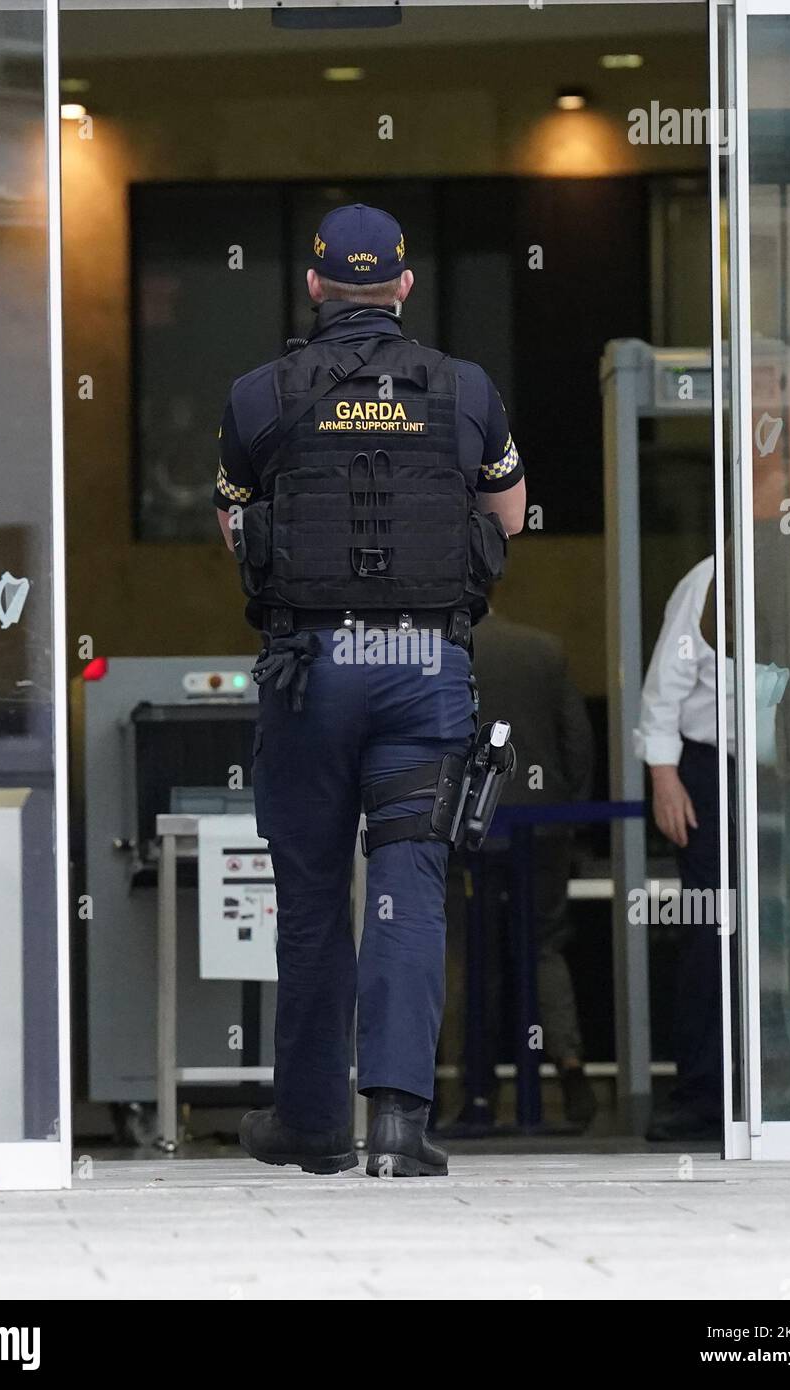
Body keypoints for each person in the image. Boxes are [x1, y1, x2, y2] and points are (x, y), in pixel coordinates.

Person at [213, 204, 526, 1176]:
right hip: (426, 674)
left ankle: (311, 1122)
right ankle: (396, 1121)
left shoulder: (259, 395)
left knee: (310, 897)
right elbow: (507, 514)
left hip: (310, 673)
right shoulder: (466, 390)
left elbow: (233, 526)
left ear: (313, 286)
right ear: (402, 284)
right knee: (407, 887)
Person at [447, 608, 597, 1129]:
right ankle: (572, 1069)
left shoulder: (442, 647)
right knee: (544, 947)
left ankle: (477, 1093)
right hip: (544, 824)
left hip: (470, 825)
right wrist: (571, 812)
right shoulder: (544, 647)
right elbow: (577, 741)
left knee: (471, 960)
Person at [635, 555, 729, 1141]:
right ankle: (702, 1091)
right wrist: (664, 775)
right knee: (710, 932)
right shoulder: (709, 578)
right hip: (712, 771)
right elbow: (664, 687)